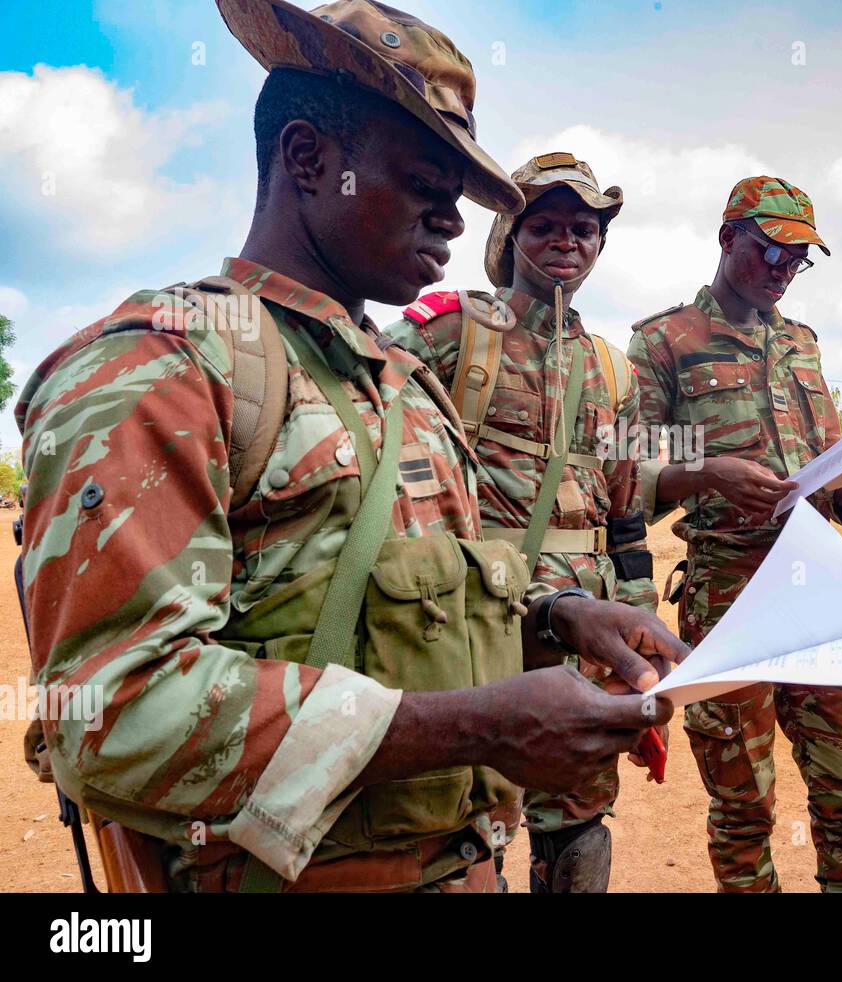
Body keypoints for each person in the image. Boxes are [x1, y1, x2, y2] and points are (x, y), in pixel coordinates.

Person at [15, 0, 682, 894]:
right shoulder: (164, 366)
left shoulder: (399, 381)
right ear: (308, 159)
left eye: (459, 199)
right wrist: (473, 728)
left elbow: (407, 603)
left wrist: (555, 617)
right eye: (425, 185)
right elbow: (109, 717)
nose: (452, 222)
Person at [385, 152, 658, 892]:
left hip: (589, 636)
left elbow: (626, 517)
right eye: (545, 225)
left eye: (584, 229)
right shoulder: (451, 332)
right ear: (509, 234)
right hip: (476, 626)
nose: (566, 240)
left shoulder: (613, 368)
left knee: (578, 824)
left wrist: (640, 633)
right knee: (469, 824)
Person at [626, 176, 842, 893]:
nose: (784, 271)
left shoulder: (802, 345)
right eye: (771, 251)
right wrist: (707, 472)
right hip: (727, 595)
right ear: (727, 239)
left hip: (818, 585)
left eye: (798, 259)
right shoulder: (664, 341)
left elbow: (828, 474)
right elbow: (623, 467)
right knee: (743, 804)